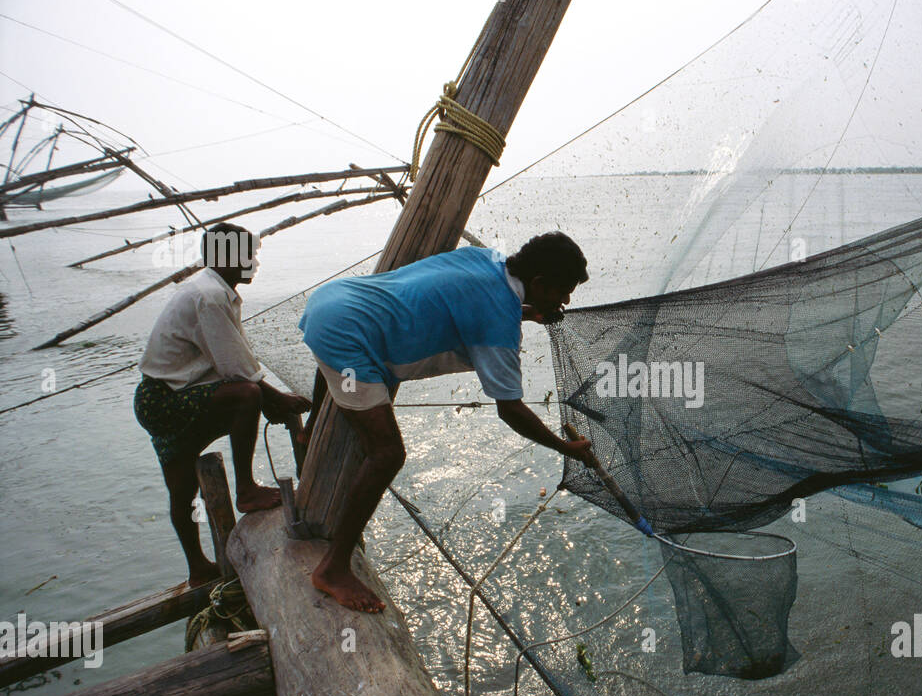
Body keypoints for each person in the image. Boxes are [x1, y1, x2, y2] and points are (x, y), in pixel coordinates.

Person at [296, 231, 596, 613]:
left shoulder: (485, 260)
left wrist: (526, 312)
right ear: (538, 283)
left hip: (338, 300)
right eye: (563, 292)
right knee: (386, 454)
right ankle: (333, 568)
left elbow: (462, 300)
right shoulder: (498, 326)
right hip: (347, 334)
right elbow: (511, 409)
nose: (566, 301)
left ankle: (308, 432)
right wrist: (564, 446)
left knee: (339, 366)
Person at [134, 223, 310, 587]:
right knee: (247, 395)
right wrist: (278, 399)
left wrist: (274, 399)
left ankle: (199, 570)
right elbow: (238, 371)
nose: (255, 262)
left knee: (182, 490)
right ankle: (245, 489)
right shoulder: (210, 296)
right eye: (249, 256)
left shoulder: (218, 291)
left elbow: (237, 358)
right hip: (165, 401)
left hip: (165, 397)